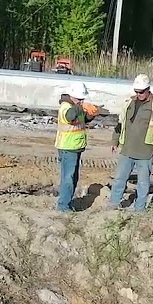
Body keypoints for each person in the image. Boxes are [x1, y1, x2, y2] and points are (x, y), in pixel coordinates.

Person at [108, 74, 153, 211]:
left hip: (145, 151)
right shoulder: (129, 102)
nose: (139, 94)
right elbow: (120, 124)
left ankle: (139, 209)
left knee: (143, 183)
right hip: (127, 149)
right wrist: (115, 140)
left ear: (148, 89)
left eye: (141, 92)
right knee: (119, 179)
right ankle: (113, 204)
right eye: (136, 91)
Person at [56, 81, 96, 212]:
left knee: (73, 177)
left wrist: (90, 114)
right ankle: (63, 206)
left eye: (82, 99)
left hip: (75, 146)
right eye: (79, 99)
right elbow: (70, 116)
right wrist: (83, 107)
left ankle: (67, 202)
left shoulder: (75, 106)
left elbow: (81, 119)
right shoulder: (66, 107)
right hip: (68, 147)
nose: (81, 101)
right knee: (68, 178)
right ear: (72, 96)